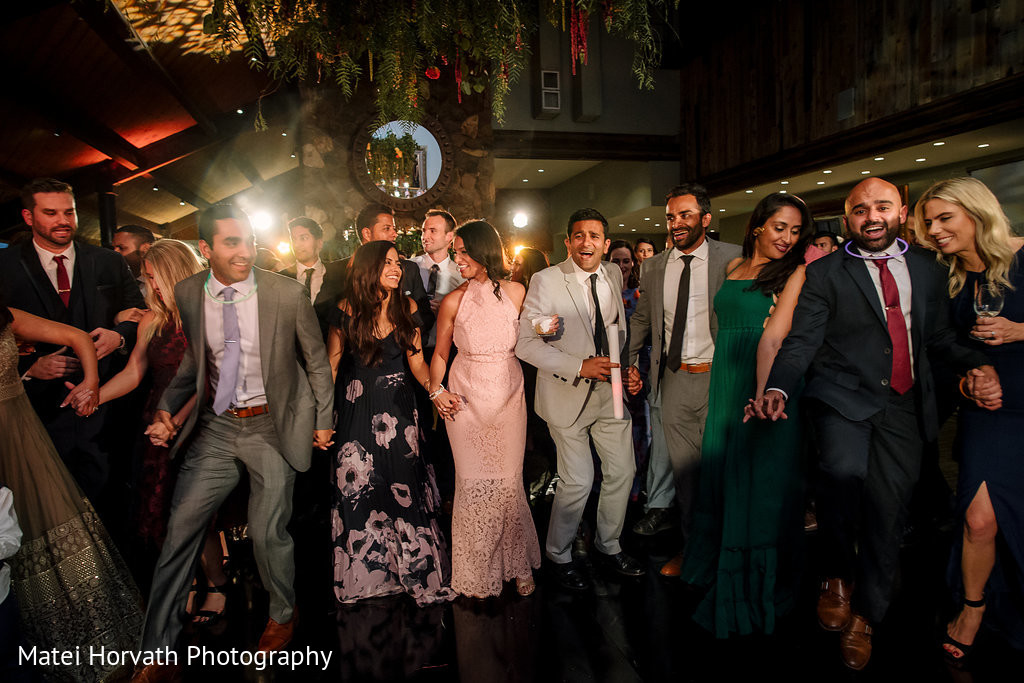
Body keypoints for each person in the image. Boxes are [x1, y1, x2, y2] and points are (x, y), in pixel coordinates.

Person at [757, 177, 1000, 670]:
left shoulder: (931, 268)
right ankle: (836, 575)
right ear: (848, 218)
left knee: (889, 512)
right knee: (841, 477)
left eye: (882, 207)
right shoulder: (825, 272)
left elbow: (936, 338)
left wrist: (980, 360)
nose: (871, 216)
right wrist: (777, 387)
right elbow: (801, 340)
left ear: (901, 211)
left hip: (904, 408)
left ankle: (867, 614)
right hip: (842, 399)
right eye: (860, 209)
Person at [133, 204, 334, 680]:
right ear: (205, 250)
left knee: (268, 532)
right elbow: (193, 364)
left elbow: (317, 361)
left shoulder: (285, 294)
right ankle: (155, 650)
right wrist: (169, 402)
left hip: (272, 425)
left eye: (248, 240)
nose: (246, 251)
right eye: (231, 243)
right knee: (180, 530)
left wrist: (323, 418)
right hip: (219, 427)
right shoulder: (187, 292)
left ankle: (283, 615)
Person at [675, 192, 813, 637]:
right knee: (722, 473)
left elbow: (777, 340)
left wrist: (763, 393)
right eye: (780, 228)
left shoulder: (796, 272)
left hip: (763, 386)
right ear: (758, 226)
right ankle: (714, 562)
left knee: (760, 483)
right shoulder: (734, 267)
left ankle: (756, 585)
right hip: (726, 379)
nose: (787, 238)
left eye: (795, 231)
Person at [75, 240, 229, 624]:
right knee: (164, 513)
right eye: (147, 279)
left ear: (175, 272)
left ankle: (218, 582)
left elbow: (213, 378)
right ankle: (189, 582)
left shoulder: (210, 313)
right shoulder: (151, 319)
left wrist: (175, 422)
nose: (151, 287)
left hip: (200, 421)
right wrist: (94, 396)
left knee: (198, 515)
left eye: (154, 278)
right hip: (157, 421)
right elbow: (133, 373)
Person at [0, 303, 143, 683]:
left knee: (48, 525)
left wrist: (90, 385)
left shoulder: (5, 314)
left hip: (21, 435)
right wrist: (29, 369)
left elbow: (77, 336)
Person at [914, 177, 1024, 662]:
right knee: (979, 519)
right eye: (929, 222)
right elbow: (940, 354)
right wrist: (967, 384)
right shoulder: (947, 278)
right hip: (989, 409)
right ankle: (974, 606)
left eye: (945, 218)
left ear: (977, 213)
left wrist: (1021, 329)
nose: (935, 230)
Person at [516, 208, 644, 592]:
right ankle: (558, 554)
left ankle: (608, 546)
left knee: (623, 471)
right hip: (566, 393)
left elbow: (617, 333)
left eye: (594, 236)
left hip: (612, 393)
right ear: (568, 242)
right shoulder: (545, 280)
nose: (586, 242)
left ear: (605, 244)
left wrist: (630, 368)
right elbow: (525, 342)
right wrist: (578, 366)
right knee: (578, 481)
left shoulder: (613, 274)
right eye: (578, 235)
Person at [0, 178, 145, 505]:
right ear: (28, 217)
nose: (63, 221)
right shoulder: (5, 266)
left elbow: (140, 313)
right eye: (50, 213)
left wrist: (118, 337)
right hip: (38, 410)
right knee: (48, 500)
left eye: (69, 212)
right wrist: (30, 366)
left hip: (107, 402)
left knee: (113, 498)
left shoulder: (107, 260)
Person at [327, 241, 454, 605]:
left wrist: (436, 392)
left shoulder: (407, 307)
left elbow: (416, 363)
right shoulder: (345, 309)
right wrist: (319, 420)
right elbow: (331, 367)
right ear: (369, 269)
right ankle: (373, 571)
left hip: (400, 409)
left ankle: (413, 568)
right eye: (387, 263)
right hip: (355, 406)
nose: (396, 269)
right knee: (360, 484)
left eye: (398, 263)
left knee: (404, 482)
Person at [626, 183, 741, 575]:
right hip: (673, 381)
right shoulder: (654, 265)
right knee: (686, 476)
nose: (676, 223)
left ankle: (729, 555)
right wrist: (628, 363)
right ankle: (694, 552)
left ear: (705, 219)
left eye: (685, 215)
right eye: (671, 217)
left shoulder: (734, 259)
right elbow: (642, 319)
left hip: (720, 379)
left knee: (722, 472)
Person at [428, 220, 541, 598]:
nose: (457, 259)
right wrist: (436, 391)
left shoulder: (517, 292)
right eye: (456, 252)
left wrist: (545, 329)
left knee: (509, 482)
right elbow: (441, 353)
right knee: (473, 483)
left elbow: (530, 336)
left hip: (509, 394)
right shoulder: (453, 300)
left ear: (484, 251)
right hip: (466, 400)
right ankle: (477, 571)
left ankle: (517, 564)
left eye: (463, 251)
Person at [337, 203, 434, 334]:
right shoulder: (337, 271)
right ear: (366, 233)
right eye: (387, 229)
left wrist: (402, 341)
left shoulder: (408, 268)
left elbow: (424, 316)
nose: (395, 234)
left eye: (394, 229)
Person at [281, 216, 347, 340]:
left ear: (319, 243)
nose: (297, 244)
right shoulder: (280, 278)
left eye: (303, 238)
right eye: (293, 239)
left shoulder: (339, 276)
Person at [410, 209, 464, 352]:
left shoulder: (461, 275)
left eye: (433, 231)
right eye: (424, 231)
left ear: (449, 236)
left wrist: (447, 312)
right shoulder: (408, 268)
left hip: (447, 350)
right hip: (408, 350)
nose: (425, 236)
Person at [113, 224, 156, 297]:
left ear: (145, 249)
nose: (114, 253)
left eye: (121, 248)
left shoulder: (162, 282)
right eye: (113, 248)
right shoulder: (114, 283)